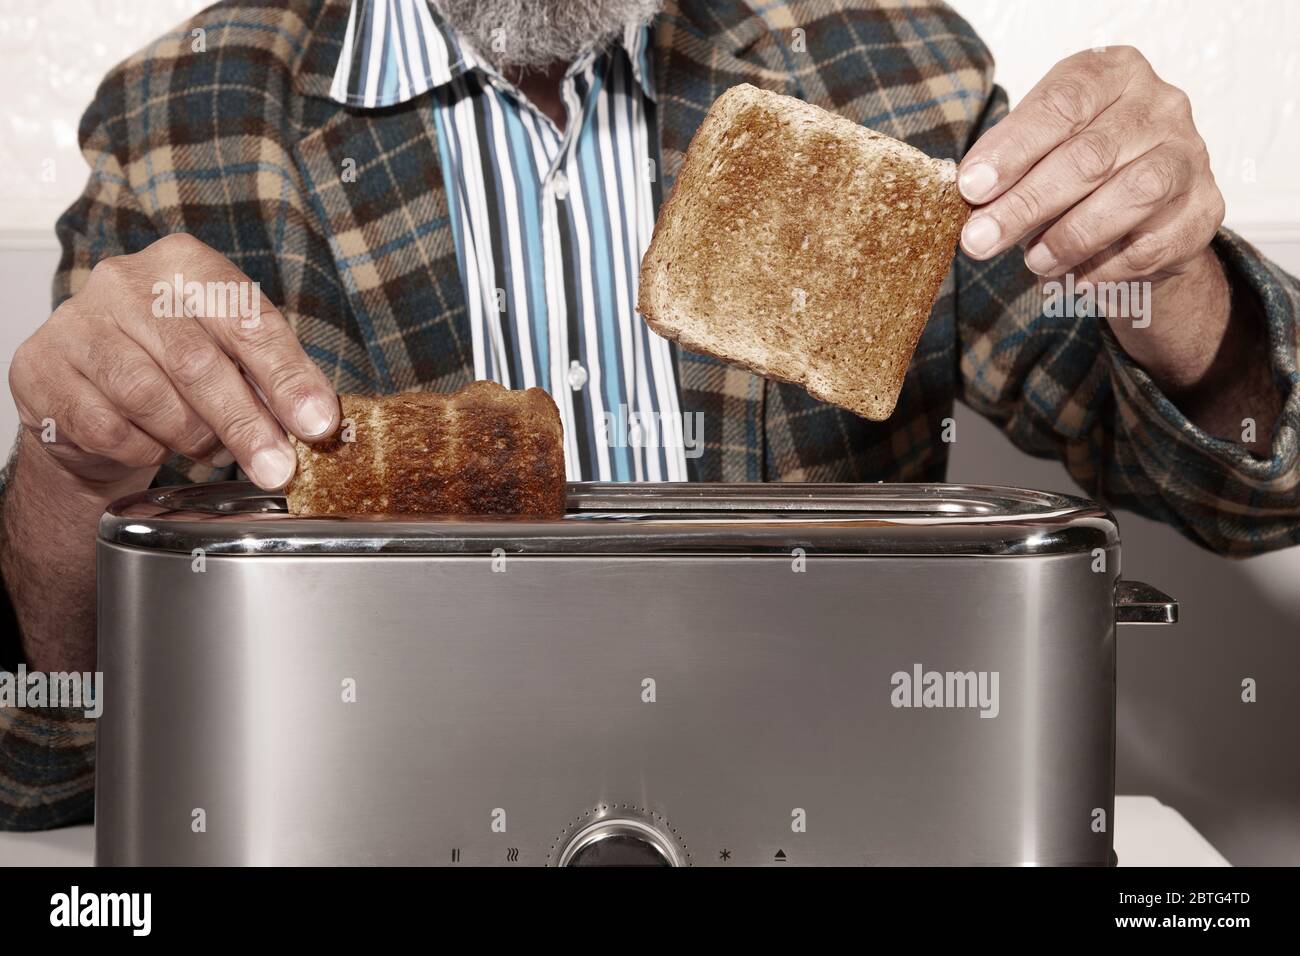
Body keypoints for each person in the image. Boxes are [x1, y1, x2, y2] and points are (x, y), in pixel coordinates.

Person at [0, 0, 1296, 829]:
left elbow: (1256, 488)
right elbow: (46, 750)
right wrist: (72, 475)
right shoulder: (189, 122)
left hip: (833, 815)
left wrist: (1170, 291)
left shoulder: (894, 75)